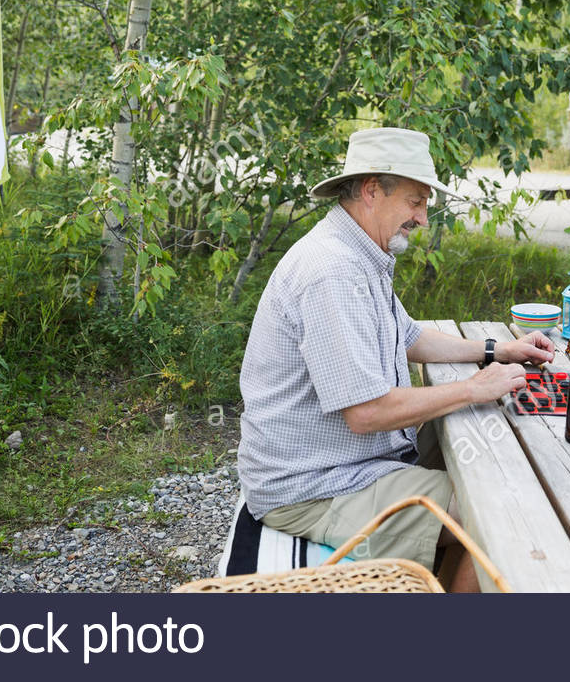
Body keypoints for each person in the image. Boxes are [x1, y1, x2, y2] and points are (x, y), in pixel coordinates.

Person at [237, 127, 554, 590]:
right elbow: (365, 413)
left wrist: (496, 350)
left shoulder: (358, 251)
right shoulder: (333, 273)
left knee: (492, 449)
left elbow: (407, 337)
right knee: (500, 511)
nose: (423, 218)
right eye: (415, 202)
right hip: (314, 486)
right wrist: (473, 387)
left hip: (352, 461)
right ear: (371, 191)